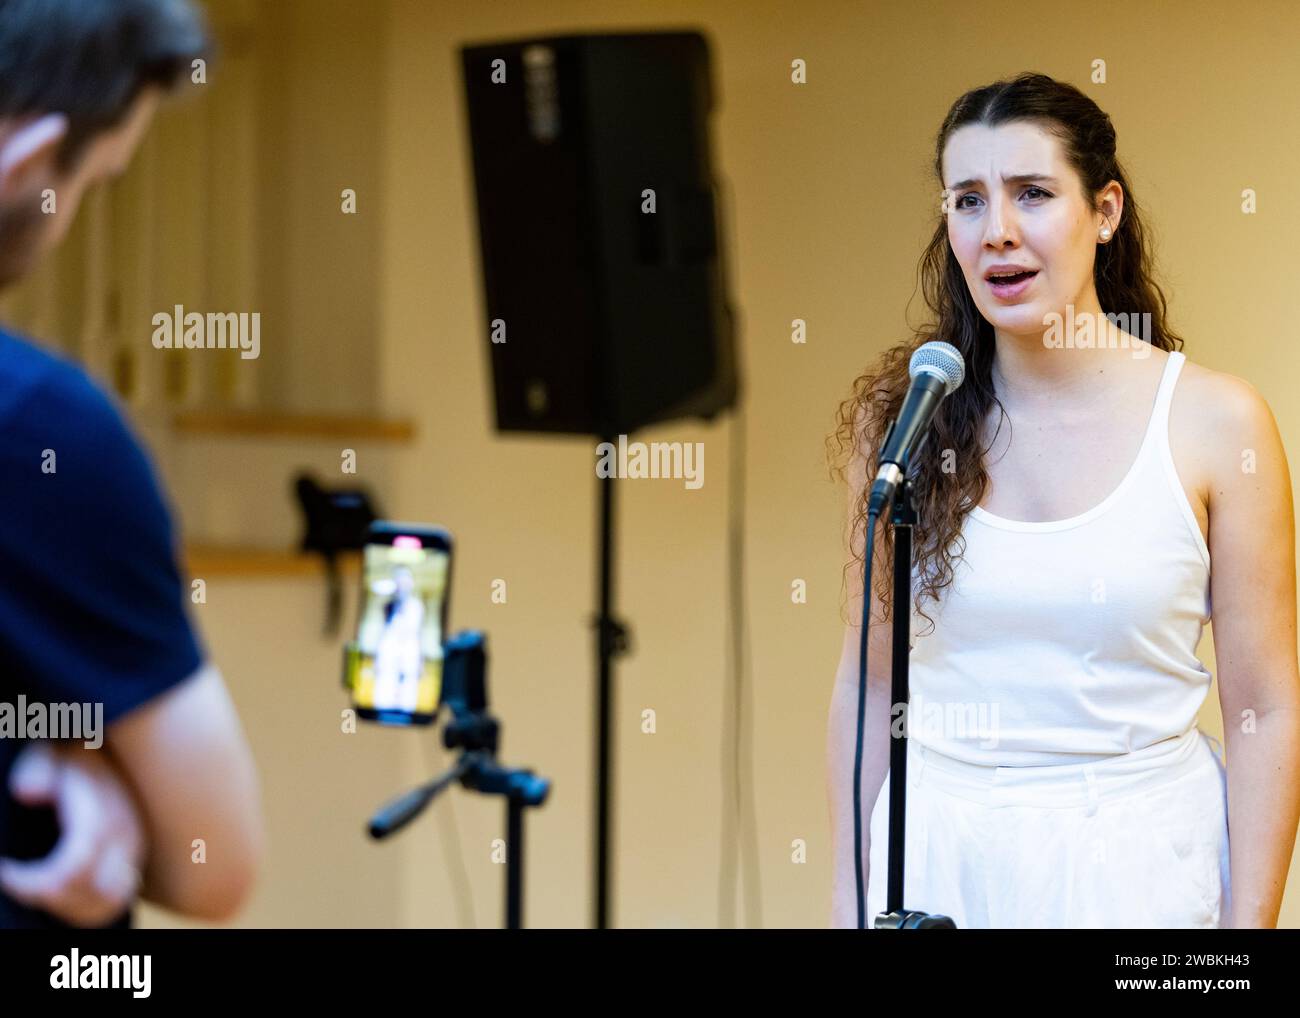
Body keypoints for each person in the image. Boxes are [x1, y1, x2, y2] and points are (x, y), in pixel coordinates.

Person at [826, 72, 1300, 929]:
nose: (997, 232)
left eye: (1033, 194)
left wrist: (1246, 940)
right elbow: (867, 684)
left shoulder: (1216, 421)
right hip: (938, 862)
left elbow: (1265, 704)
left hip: (1138, 868)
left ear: (1105, 210)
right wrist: (848, 901)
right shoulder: (906, 421)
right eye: (967, 200)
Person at [0, 0, 262, 928]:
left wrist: (47, 735)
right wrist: (76, 745)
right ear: (31, 162)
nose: (67, 221)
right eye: (94, 182)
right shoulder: (41, 428)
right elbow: (213, 862)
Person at [372, 567, 426, 713]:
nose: (403, 585)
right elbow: (384, 630)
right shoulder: (389, 606)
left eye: (406, 581)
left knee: (408, 693)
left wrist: (421, 660)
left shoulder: (416, 606)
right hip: (389, 654)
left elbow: (418, 633)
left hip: (409, 653)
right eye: (399, 581)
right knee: (385, 690)